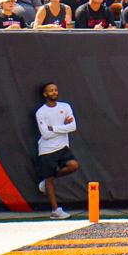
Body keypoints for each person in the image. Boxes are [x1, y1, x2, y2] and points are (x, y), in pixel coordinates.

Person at [35, 82, 80, 220]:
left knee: (73, 165)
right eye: (51, 90)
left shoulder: (65, 107)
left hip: (63, 147)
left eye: (55, 90)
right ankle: (55, 211)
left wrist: (53, 128)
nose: (54, 92)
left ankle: (47, 181)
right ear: (45, 94)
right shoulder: (41, 112)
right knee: (48, 179)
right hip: (47, 150)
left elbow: (73, 127)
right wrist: (62, 127)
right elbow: (45, 134)